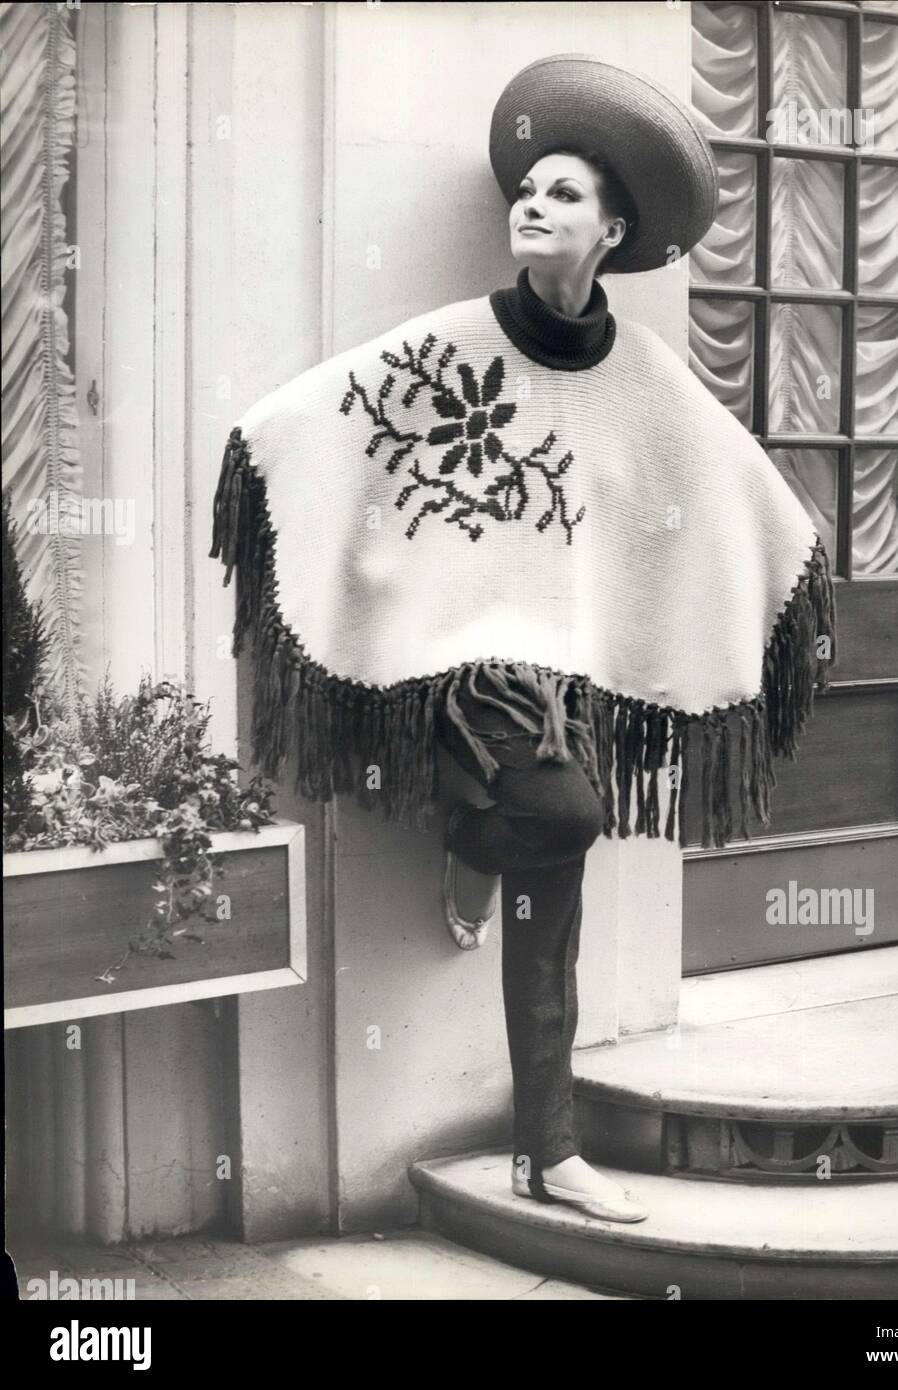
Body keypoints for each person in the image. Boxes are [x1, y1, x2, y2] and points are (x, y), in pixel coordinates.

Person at [210, 55, 837, 1227]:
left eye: (564, 195)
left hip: (571, 684)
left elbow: (730, 487)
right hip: (465, 680)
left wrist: (800, 573)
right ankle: (467, 835)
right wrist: (251, 457)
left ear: (611, 233)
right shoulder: (450, 345)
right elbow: (313, 426)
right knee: (560, 814)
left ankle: (546, 1151)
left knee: (556, 900)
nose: (533, 205)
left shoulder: (641, 379)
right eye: (527, 188)